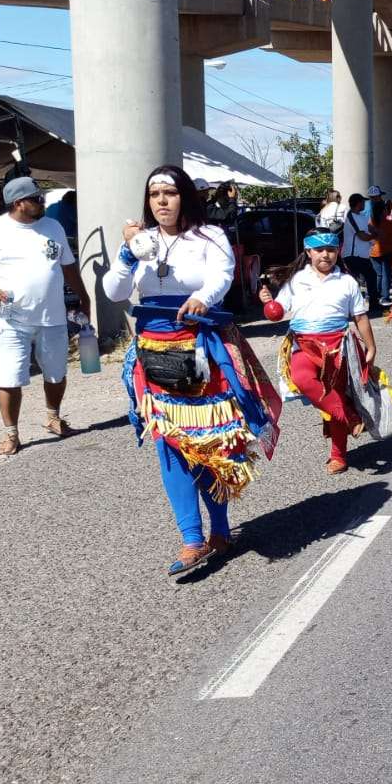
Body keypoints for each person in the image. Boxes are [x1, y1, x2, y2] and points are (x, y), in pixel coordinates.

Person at [104, 165, 274, 577]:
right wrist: (126, 254)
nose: (162, 200)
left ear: (186, 197)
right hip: (153, 350)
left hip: (199, 346)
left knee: (207, 439)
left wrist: (202, 298)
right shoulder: (140, 244)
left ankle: (219, 531)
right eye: (154, 194)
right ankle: (191, 539)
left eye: (170, 192)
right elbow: (114, 292)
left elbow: (221, 276)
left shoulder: (209, 236)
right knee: (170, 441)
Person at [0, 176, 93, 456]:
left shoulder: (53, 227)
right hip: (12, 320)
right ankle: (11, 434)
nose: (42, 202)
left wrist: (84, 296)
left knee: (56, 374)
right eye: (36, 199)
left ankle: (53, 417)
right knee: (9, 378)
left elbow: (68, 267)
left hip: (53, 317)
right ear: (18, 203)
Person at [261, 229, 376, 475]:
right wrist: (268, 303)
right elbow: (278, 311)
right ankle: (352, 419)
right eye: (320, 250)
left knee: (334, 395)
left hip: (339, 347)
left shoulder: (347, 281)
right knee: (303, 379)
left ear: (338, 252)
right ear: (309, 252)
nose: (326, 255)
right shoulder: (296, 280)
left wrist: (371, 346)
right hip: (303, 344)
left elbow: (360, 317)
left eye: (331, 250)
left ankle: (338, 455)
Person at [342, 186, 381, 310]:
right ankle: (365, 305)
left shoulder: (362, 215)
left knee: (369, 277)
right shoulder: (350, 216)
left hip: (363, 255)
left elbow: (369, 227)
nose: (365, 203)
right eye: (363, 202)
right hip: (353, 255)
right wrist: (374, 235)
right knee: (361, 279)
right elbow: (362, 236)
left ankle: (370, 304)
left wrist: (376, 231)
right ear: (358, 203)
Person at [370, 197, 392, 307]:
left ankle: (376, 295)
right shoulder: (388, 223)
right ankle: (385, 296)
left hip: (373, 252)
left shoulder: (372, 221)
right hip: (386, 251)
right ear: (383, 211)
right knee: (386, 274)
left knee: (379, 275)